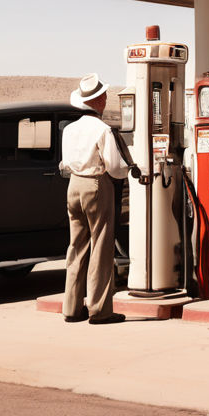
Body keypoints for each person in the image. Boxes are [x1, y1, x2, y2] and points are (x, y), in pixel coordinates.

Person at [61, 73, 129, 324]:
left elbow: (66, 162)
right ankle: (100, 309)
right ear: (98, 101)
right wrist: (130, 169)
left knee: (76, 246)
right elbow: (113, 166)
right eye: (103, 95)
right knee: (101, 245)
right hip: (96, 184)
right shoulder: (102, 130)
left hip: (74, 185)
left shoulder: (69, 129)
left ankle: (71, 307)